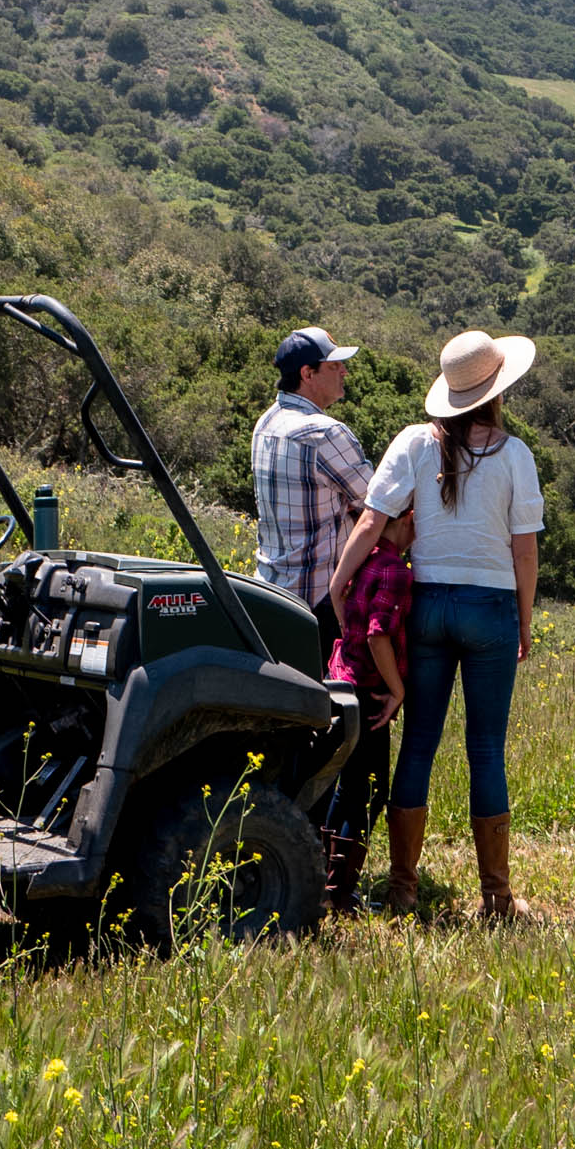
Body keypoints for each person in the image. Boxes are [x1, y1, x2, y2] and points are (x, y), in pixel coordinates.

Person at [327, 327, 542, 922]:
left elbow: (373, 521)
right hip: (491, 607)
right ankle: (496, 897)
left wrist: (338, 583)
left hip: (426, 605)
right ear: (497, 391)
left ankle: (402, 889)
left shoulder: (415, 444)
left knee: (418, 745)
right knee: (486, 751)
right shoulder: (514, 454)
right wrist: (524, 622)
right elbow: (524, 551)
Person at [250, 324, 375, 901]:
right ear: (308, 373)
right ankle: (332, 873)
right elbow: (378, 503)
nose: (343, 373)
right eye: (335, 365)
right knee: (347, 735)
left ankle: (281, 850)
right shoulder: (325, 433)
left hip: (272, 597)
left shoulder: (266, 425)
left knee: (288, 732)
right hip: (323, 601)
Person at [321, 500, 417, 913]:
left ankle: (323, 881)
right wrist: (397, 691)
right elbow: (380, 637)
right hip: (369, 691)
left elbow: (341, 599)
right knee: (371, 793)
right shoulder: (396, 571)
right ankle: (339, 894)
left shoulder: (365, 559)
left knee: (347, 788)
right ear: (409, 518)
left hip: (341, 680)